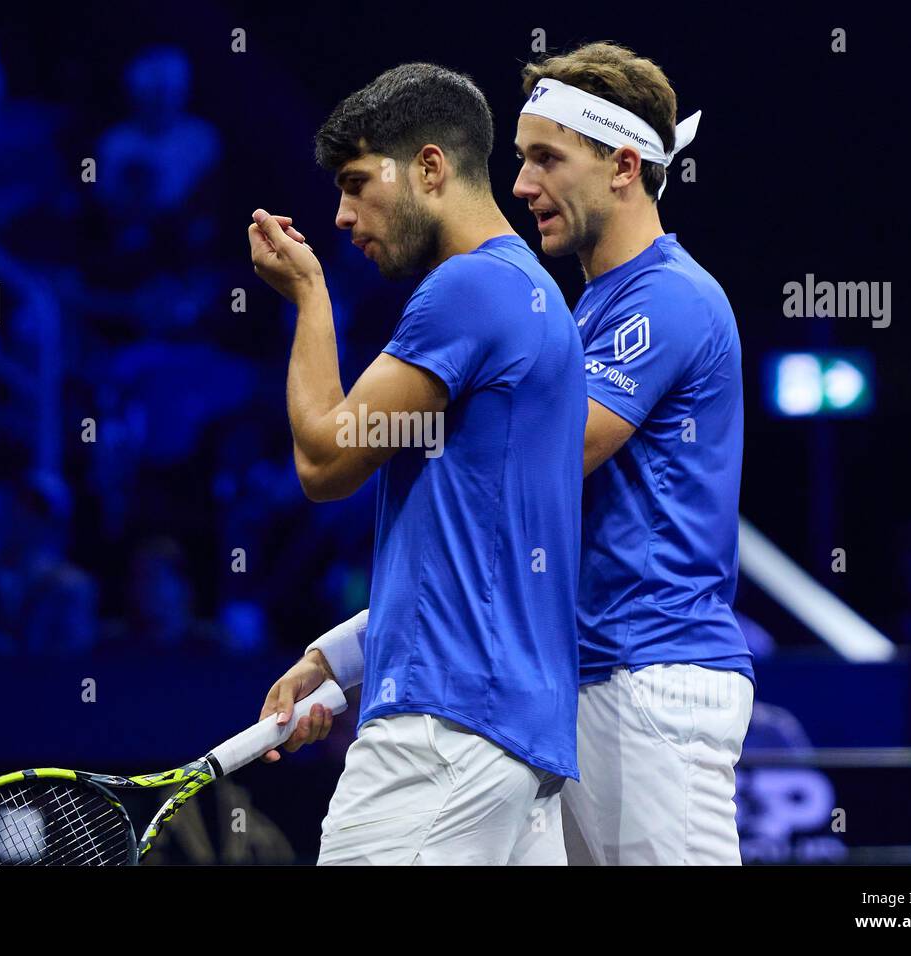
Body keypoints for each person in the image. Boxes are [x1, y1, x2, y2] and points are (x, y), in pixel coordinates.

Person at [248, 63, 585, 865]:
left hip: (439, 743)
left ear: (430, 167)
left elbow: (326, 460)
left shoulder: (466, 290)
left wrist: (309, 298)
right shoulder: (540, 304)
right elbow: (475, 559)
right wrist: (341, 655)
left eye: (359, 183)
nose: (339, 214)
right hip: (518, 750)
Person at [511, 42, 754, 864]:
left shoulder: (671, 297)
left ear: (623, 165)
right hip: (591, 681)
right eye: (521, 159)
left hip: (653, 676)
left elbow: (543, 460)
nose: (521, 185)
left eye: (546, 158)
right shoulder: (591, 315)